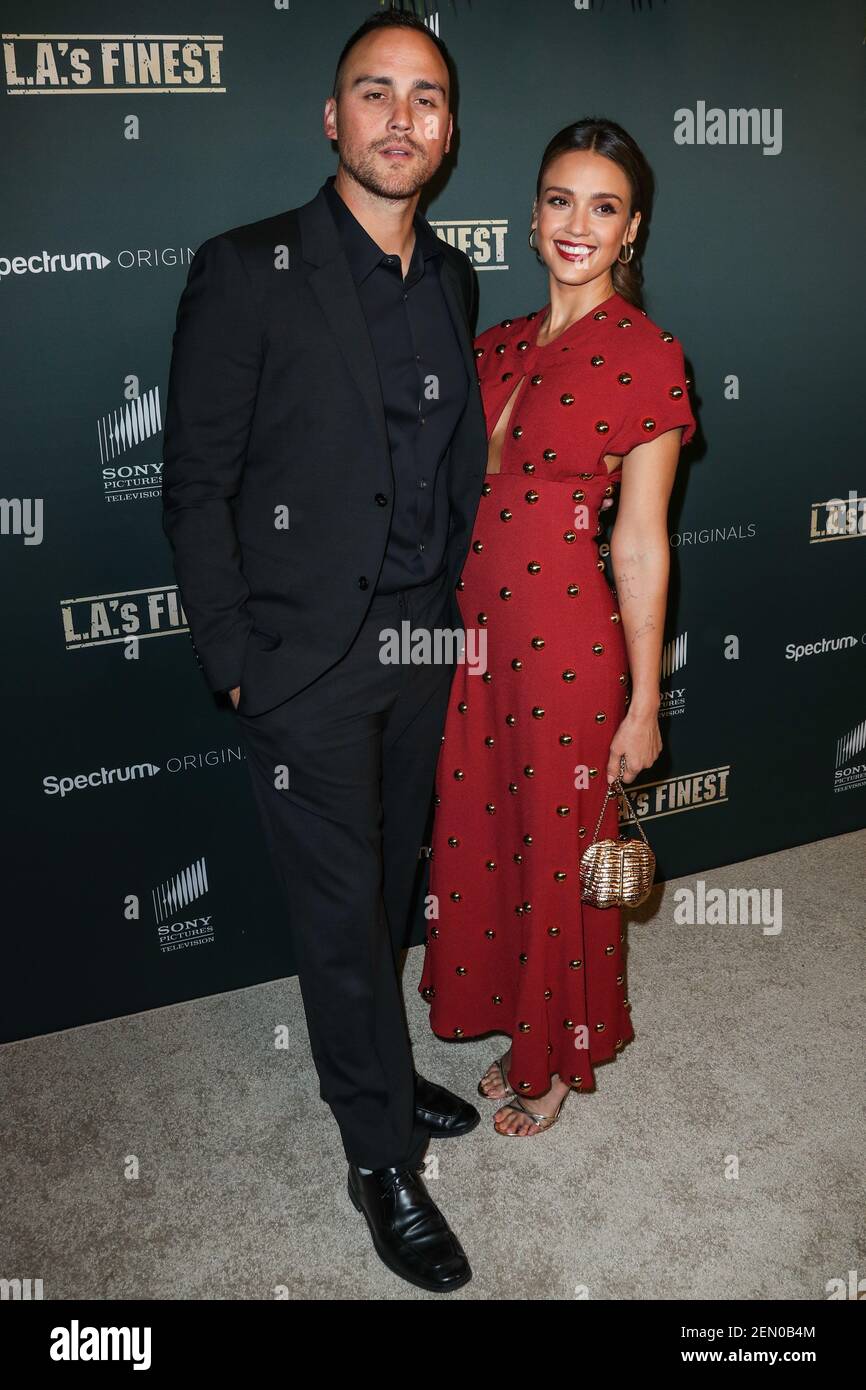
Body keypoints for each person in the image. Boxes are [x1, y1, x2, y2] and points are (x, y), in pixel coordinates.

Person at [162, 11, 489, 1293]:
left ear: (447, 130)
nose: (400, 119)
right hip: (302, 658)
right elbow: (196, 480)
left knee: (391, 882)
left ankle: (379, 1054)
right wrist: (236, 655)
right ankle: (377, 1153)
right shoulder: (248, 267)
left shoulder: (454, 277)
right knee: (335, 908)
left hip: (421, 639)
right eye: (374, 93)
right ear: (331, 119)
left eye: (425, 98)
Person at [419, 117, 697, 1137]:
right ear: (531, 220)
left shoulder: (647, 354)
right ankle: (508, 1022)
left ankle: (552, 1057)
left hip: (564, 648)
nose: (577, 223)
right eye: (559, 200)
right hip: (469, 646)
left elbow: (639, 546)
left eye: (603, 206)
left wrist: (642, 700)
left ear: (630, 232)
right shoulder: (488, 344)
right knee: (484, 842)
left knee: (553, 860)